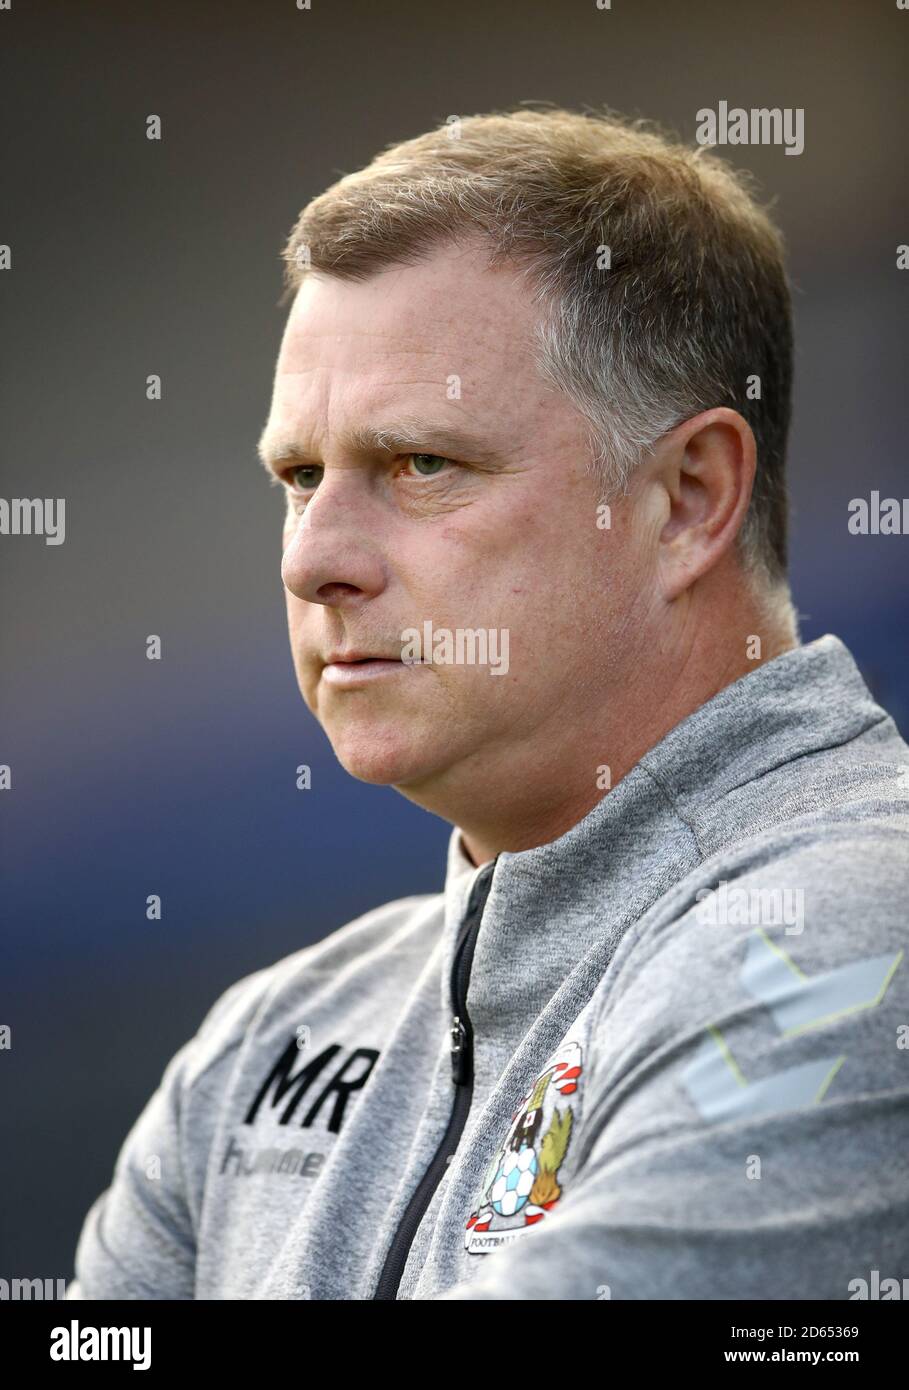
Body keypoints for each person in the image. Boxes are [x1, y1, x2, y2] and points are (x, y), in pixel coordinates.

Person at [66, 106, 909, 1301]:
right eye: (300, 478)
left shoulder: (852, 937)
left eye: (422, 465)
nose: (316, 560)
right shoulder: (269, 1043)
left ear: (685, 498)